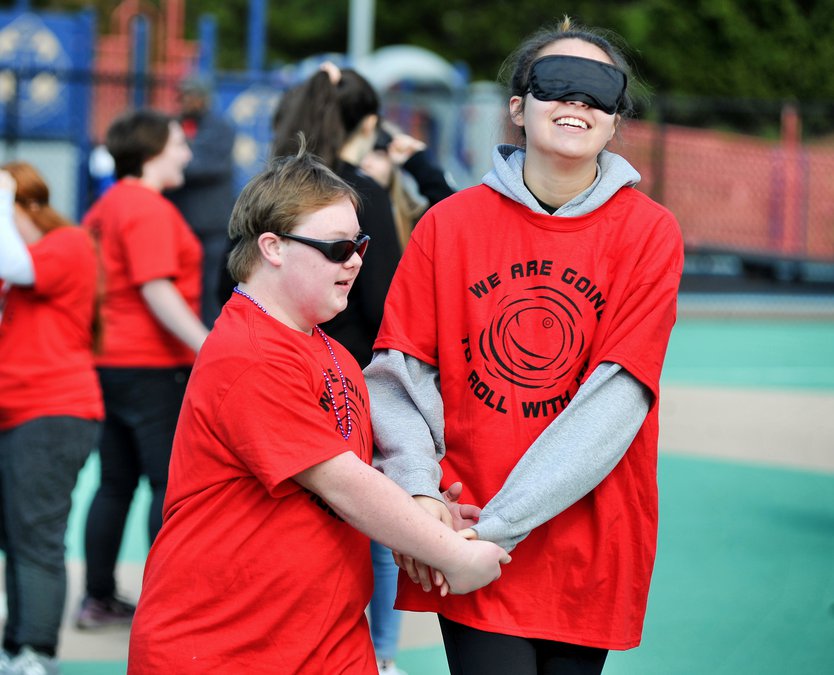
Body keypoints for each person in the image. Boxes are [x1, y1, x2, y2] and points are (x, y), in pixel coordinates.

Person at [365, 17, 684, 675]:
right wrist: (422, 497)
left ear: (616, 118)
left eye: (599, 92)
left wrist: (495, 529)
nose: (577, 103)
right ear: (518, 106)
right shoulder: (448, 226)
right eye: (557, 85)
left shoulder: (649, 233)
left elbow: (614, 403)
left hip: (578, 544)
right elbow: (400, 372)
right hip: (464, 526)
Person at [126, 149, 509, 674]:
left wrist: (425, 510)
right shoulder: (250, 352)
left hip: (325, 642)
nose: (354, 260)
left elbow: (356, 475)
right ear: (273, 247)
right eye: (337, 247)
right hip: (222, 648)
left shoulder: (326, 349)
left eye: (360, 244)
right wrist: (450, 552)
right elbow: (340, 482)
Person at [271, 64, 416, 674]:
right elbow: (388, 301)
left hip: (282, 367)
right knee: (373, 512)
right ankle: (378, 655)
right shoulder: (360, 196)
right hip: (347, 378)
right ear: (370, 123)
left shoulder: (274, 186)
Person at [76, 108, 209, 630]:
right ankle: (166, 603)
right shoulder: (148, 210)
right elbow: (157, 287)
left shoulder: (104, 206)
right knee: (165, 484)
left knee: (114, 484)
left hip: (107, 362)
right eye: (178, 144)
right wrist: (207, 346)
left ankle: (99, 596)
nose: (187, 153)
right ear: (153, 150)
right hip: (153, 367)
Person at [360, 120, 455, 674]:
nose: (373, 167)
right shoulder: (348, 213)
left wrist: (415, 159)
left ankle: (384, 654)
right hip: (354, 378)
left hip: (390, 387)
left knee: (384, 525)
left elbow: (459, 205)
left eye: (381, 160)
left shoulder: (414, 223)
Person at [0, 162, 103, 674]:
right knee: (17, 534)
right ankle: (18, 645)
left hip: (52, 409)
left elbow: (17, 264)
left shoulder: (67, 244)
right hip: (20, 412)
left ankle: (36, 653)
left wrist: (1, 191)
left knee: (36, 535)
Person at [165, 78, 237, 326]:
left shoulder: (220, 127)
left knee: (210, 289)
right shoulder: (176, 125)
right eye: (182, 96)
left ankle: (209, 336)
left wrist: (171, 161)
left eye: (190, 95)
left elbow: (200, 166)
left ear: (203, 98)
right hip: (183, 224)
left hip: (211, 227)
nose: (185, 102)